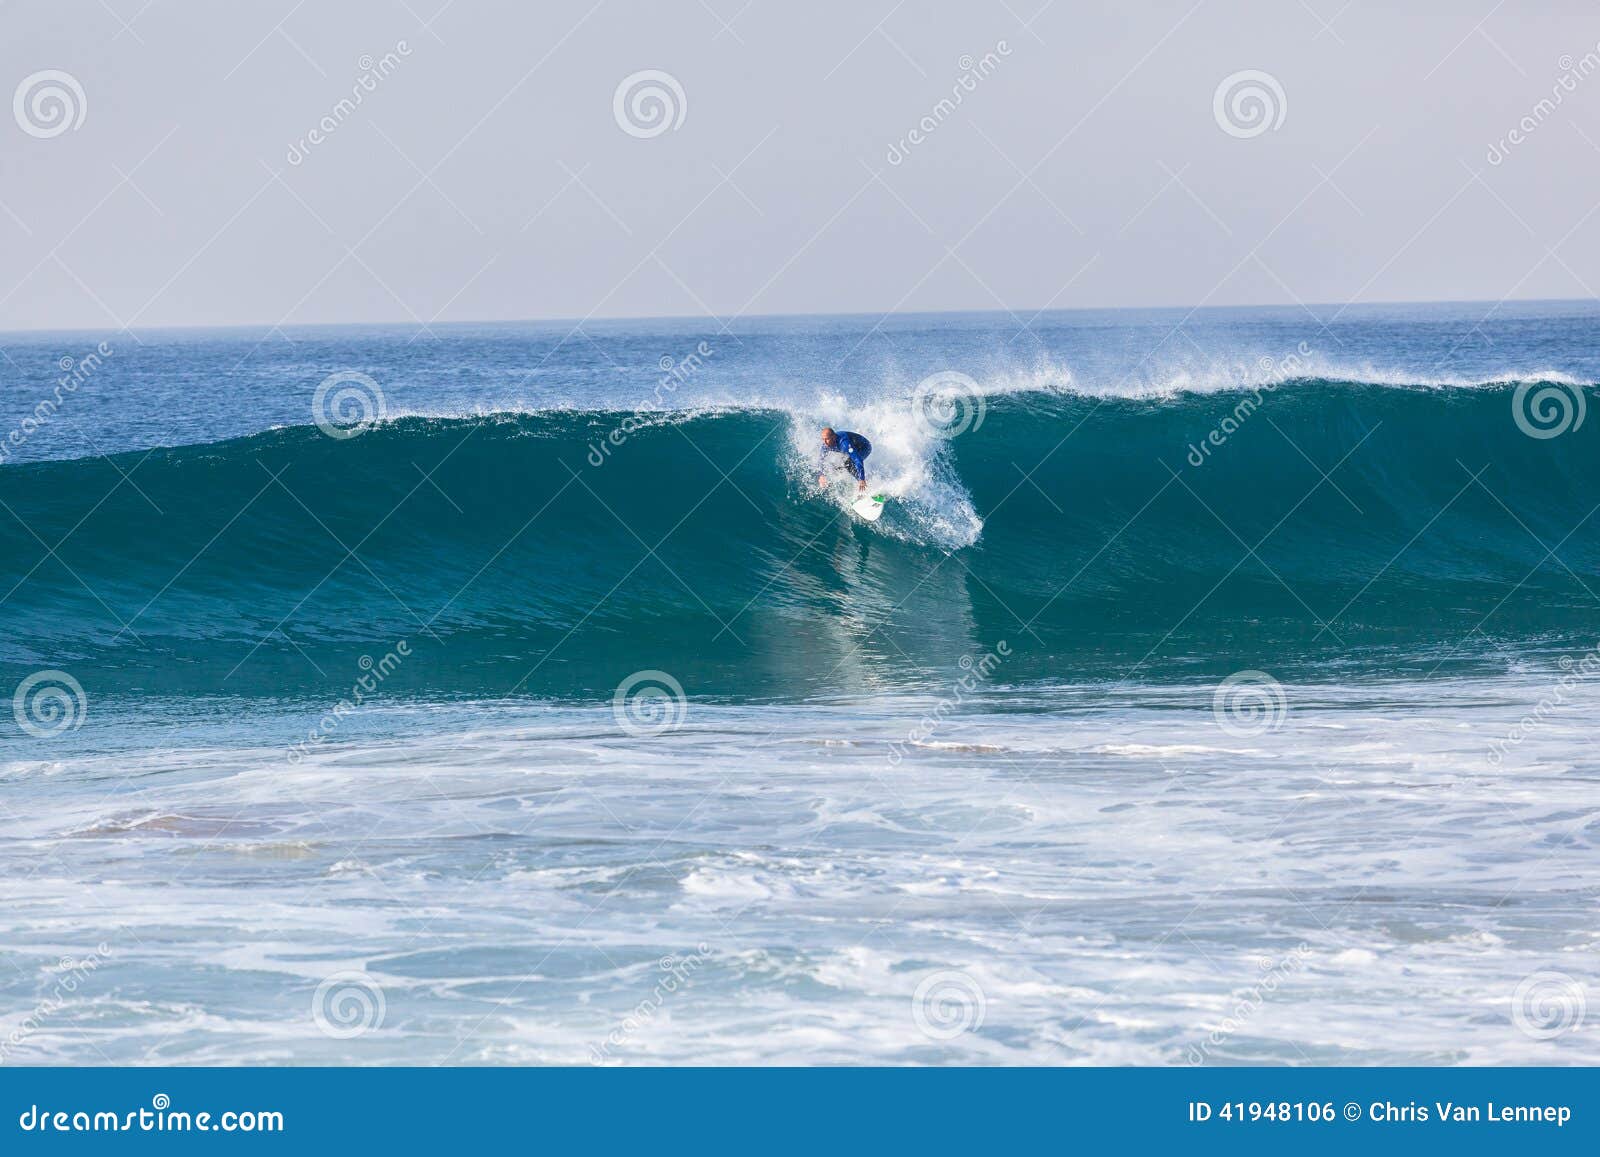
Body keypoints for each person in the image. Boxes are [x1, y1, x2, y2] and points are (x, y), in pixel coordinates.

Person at [818, 426, 871, 492]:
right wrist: (821, 475)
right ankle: (860, 485)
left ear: (833, 437)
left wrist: (862, 478)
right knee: (837, 467)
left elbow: (858, 460)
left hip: (864, 447)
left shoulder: (844, 443)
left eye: (827, 439)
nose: (825, 442)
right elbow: (821, 460)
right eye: (823, 439)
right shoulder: (825, 445)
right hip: (852, 448)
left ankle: (867, 485)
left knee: (849, 464)